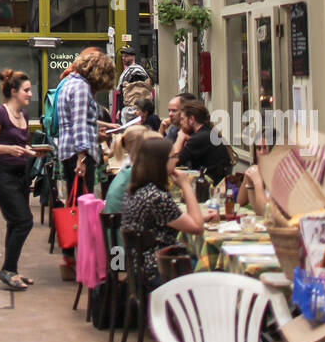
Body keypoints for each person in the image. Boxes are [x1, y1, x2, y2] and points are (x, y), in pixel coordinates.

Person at [0, 69, 49, 290]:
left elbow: (21, 146)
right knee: (24, 221)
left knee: (15, 222)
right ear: (14, 92)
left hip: (20, 176)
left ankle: (11, 269)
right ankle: (7, 269)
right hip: (1, 176)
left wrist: (31, 151)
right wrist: (9, 149)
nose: (30, 94)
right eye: (26, 90)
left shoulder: (24, 116)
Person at [55, 47, 117, 276]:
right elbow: (80, 125)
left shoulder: (69, 83)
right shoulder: (81, 88)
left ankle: (70, 257)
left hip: (68, 151)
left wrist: (103, 128)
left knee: (71, 206)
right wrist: (82, 159)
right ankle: (79, 258)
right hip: (79, 155)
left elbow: (74, 122)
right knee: (82, 207)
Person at [123, 135, 204, 290]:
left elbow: (170, 219)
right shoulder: (156, 197)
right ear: (161, 162)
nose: (177, 161)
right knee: (210, 271)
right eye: (174, 156)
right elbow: (197, 228)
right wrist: (186, 185)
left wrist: (201, 217)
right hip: (159, 270)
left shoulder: (137, 190)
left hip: (138, 267)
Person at [176, 102, 232, 185]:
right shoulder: (207, 133)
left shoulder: (199, 138)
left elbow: (173, 161)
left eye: (182, 119)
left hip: (209, 186)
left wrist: (180, 137)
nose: (180, 123)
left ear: (191, 119)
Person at [114, 47, 153, 126]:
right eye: (123, 56)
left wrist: (121, 108)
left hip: (132, 108)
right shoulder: (128, 70)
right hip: (127, 107)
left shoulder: (136, 71)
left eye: (126, 56)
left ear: (133, 57)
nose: (123, 58)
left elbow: (137, 92)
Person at [237, 131, 273, 214]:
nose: (261, 152)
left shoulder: (280, 173)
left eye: (265, 148)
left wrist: (257, 182)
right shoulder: (257, 169)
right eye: (258, 148)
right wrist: (249, 182)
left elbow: (266, 212)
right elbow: (240, 202)